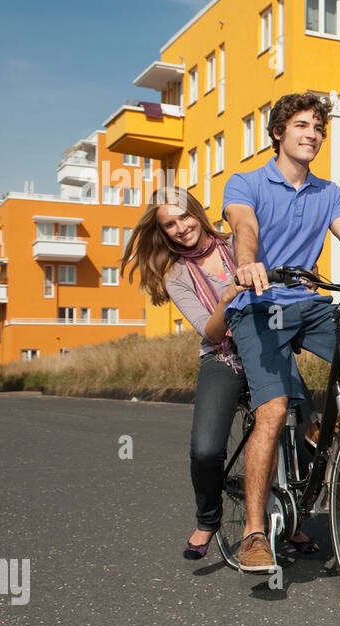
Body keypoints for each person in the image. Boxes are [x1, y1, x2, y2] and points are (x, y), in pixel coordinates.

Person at [223, 92, 340, 573]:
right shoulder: (246, 183)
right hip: (259, 306)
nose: (312, 134)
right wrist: (248, 263)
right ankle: (253, 532)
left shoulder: (327, 192)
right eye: (302, 125)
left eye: (319, 128)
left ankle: (319, 433)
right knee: (271, 410)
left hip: (309, 304)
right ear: (278, 133)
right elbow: (244, 226)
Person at [123, 187, 318, 560]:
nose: (181, 228)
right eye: (170, 225)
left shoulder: (236, 244)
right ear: (163, 233)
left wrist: (302, 280)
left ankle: (291, 519)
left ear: (197, 213)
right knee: (206, 448)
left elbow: (278, 277)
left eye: (184, 217)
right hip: (224, 358)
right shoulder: (177, 276)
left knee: (307, 438)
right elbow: (211, 333)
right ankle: (208, 520)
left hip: (267, 349)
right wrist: (228, 295)